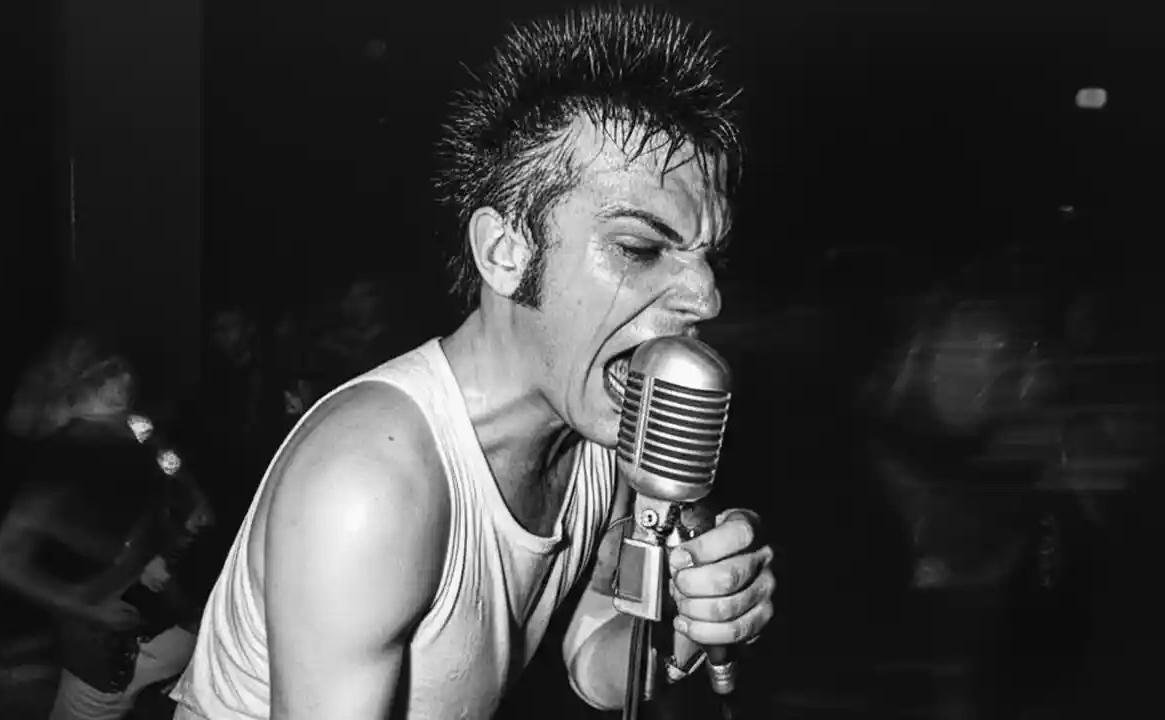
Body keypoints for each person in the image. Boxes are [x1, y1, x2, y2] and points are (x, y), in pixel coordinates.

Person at [170, 5, 775, 719]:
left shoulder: (605, 435)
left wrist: (681, 617)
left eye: (709, 258)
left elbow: (597, 662)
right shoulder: (372, 482)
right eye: (640, 249)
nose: (706, 296)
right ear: (505, 253)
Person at [0, 333, 214, 720]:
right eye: (107, 376)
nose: (124, 382)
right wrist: (84, 606)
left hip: (171, 611)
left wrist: (191, 491)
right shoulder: (64, 459)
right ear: (77, 386)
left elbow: (164, 453)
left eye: (123, 369)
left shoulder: (134, 422)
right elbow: (5, 560)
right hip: (110, 646)